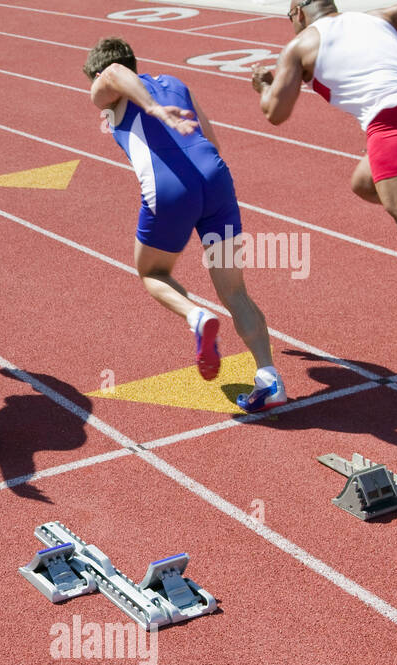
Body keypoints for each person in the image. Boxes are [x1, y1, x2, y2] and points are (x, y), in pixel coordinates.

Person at [253, 0, 397, 358]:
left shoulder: (301, 47)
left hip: (393, 121)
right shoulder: (373, 19)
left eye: (289, 19)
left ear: (298, 13)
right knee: (365, 182)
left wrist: (266, 86)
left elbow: (275, 113)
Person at [84, 37, 285, 412]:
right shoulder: (175, 82)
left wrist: (152, 109)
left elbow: (112, 74)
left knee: (152, 272)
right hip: (215, 179)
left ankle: (197, 316)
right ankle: (269, 378)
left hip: (171, 187)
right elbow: (213, 141)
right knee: (235, 290)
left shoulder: (110, 85)